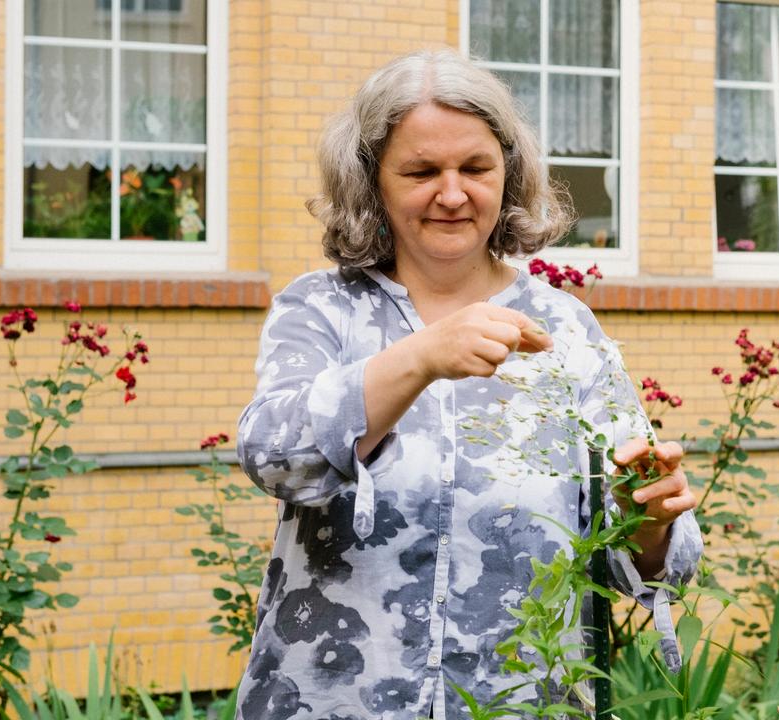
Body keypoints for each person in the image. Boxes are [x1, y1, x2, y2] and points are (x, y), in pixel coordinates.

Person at [235, 49, 702, 720]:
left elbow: (654, 558)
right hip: (334, 701)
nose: (452, 194)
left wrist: (650, 518)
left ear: (508, 174)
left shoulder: (565, 329)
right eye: (422, 171)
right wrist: (421, 356)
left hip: (524, 703)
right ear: (372, 181)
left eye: (476, 168)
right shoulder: (322, 310)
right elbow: (274, 457)